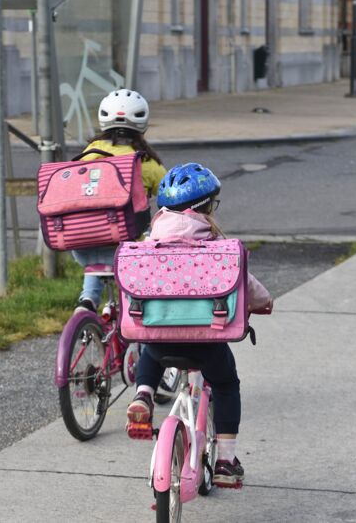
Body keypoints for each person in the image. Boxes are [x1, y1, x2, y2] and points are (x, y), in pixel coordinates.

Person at [125, 163, 273, 489]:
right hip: (205, 342)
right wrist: (264, 303)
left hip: (162, 340)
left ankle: (144, 395)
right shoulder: (218, 251)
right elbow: (247, 286)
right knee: (226, 383)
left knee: (151, 347)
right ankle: (225, 461)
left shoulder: (145, 248)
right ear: (203, 209)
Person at [71, 90, 166, 314]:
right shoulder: (146, 161)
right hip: (125, 244)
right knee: (131, 247)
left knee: (97, 241)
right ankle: (135, 307)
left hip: (80, 241)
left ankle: (88, 301)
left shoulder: (89, 154)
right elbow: (169, 195)